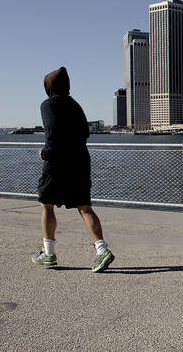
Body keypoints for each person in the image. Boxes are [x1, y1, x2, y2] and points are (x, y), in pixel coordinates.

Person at [31, 66, 115, 272]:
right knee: (84, 207)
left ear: (49, 87)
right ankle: (101, 250)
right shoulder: (75, 105)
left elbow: (52, 134)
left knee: (46, 204)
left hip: (57, 164)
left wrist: (46, 153)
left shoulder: (48, 105)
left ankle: (49, 254)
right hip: (80, 161)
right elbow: (85, 133)